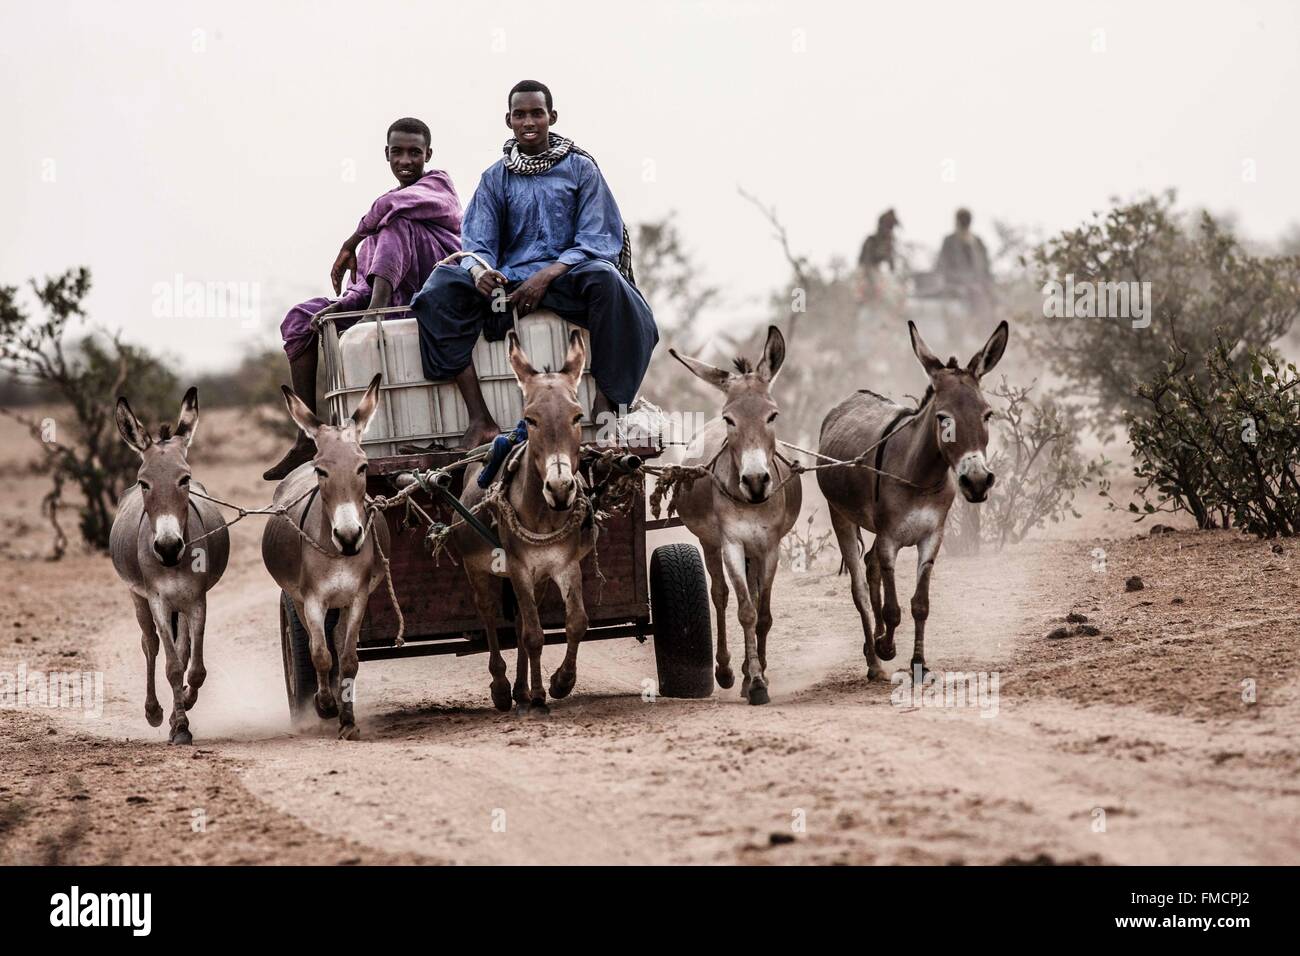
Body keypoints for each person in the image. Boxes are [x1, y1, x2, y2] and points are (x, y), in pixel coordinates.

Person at [410, 80, 658, 450]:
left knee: (608, 280)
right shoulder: (495, 178)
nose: (528, 121)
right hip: (508, 288)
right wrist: (481, 272)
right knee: (439, 289)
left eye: (536, 113)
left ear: (551, 117)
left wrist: (548, 274)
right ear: (508, 120)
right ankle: (480, 419)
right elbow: (477, 243)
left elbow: (596, 239)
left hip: (567, 278)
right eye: (520, 114)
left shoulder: (580, 170)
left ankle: (606, 405)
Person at [263, 118, 462, 480]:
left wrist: (349, 242)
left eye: (414, 153)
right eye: (397, 152)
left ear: (428, 155)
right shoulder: (382, 222)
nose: (406, 160)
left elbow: (393, 207)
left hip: (433, 286)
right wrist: (342, 304)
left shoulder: (437, 187)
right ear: (386, 154)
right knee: (299, 318)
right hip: (385, 292)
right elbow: (368, 277)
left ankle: (374, 317)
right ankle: (306, 436)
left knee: (396, 222)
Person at [934, 207, 992, 295]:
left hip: (977, 284)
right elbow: (942, 266)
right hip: (955, 285)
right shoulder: (950, 241)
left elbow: (985, 268)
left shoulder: (977, 242)